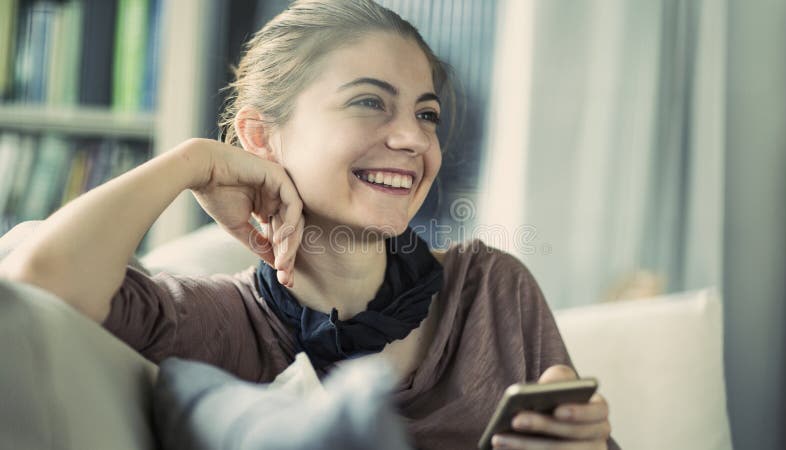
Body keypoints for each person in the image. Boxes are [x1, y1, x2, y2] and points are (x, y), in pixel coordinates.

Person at [0, 0, 619, 448]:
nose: (413, 138)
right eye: (369, 102)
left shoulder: (491, 291)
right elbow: (34, 278)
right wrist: (192, 163)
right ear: (259, 136)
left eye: (426, 114)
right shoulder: (221, 323)